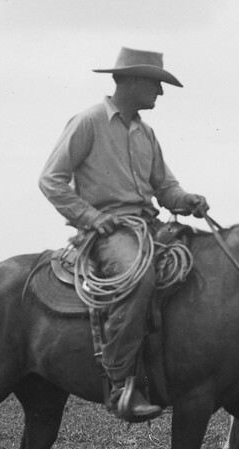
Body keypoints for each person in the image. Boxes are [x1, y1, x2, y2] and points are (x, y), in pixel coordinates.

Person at [40, 47, 209, 420]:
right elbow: (51, 179)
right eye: (156, 84)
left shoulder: (146, 133)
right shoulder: (88, 122)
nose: (160, 94)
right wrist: (89, 217)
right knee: (139, 278)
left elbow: (165, 188)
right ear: (132, 81)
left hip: (148, 224)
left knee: (202, 265)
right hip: (110, 231)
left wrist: (187, 200)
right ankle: (120, 385)